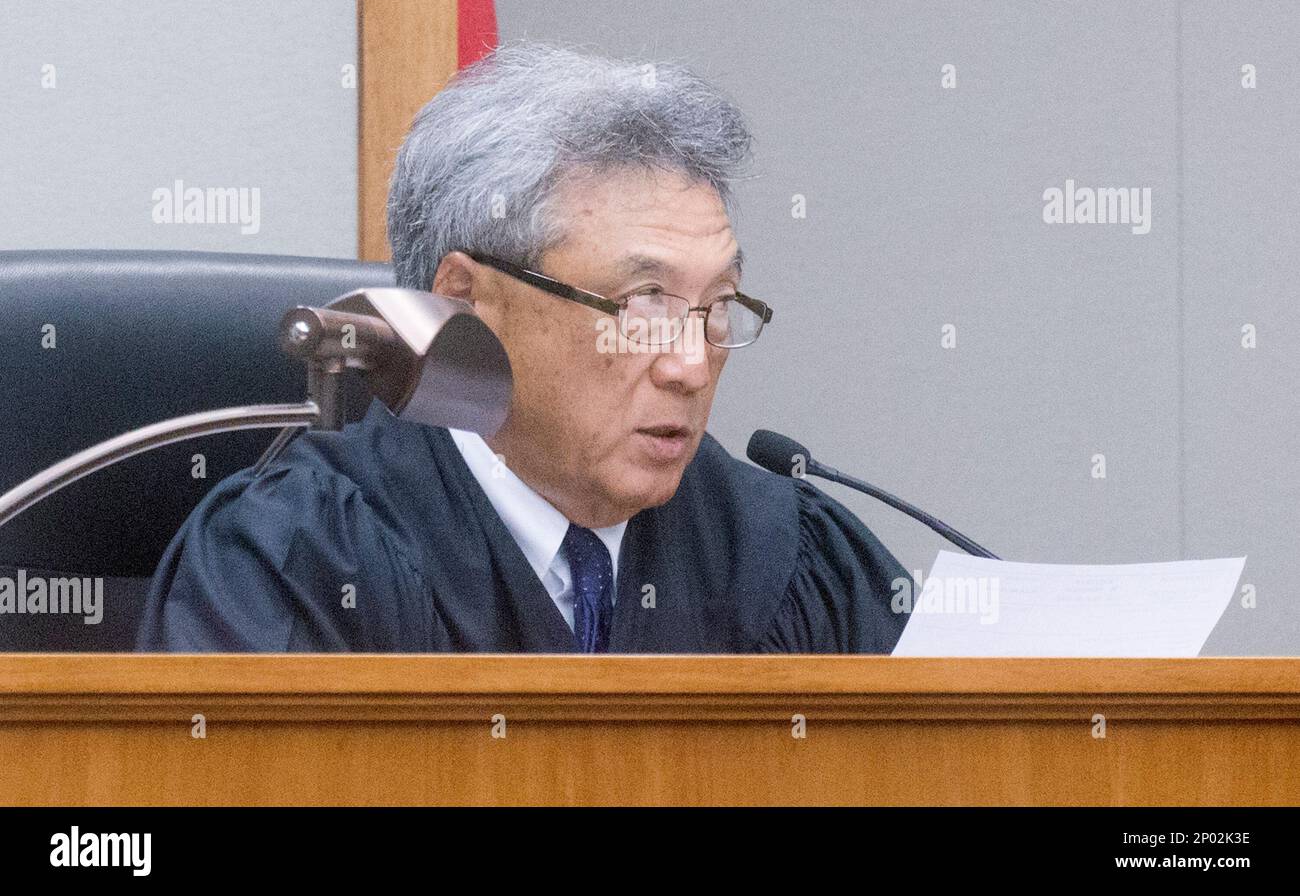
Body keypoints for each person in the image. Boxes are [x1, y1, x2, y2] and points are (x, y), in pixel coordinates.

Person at [136, 42, 909, 654]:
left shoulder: (784, 558)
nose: (691, 364)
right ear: (470, 300)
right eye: (642, 304)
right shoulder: (302, 561)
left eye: (716, 307)